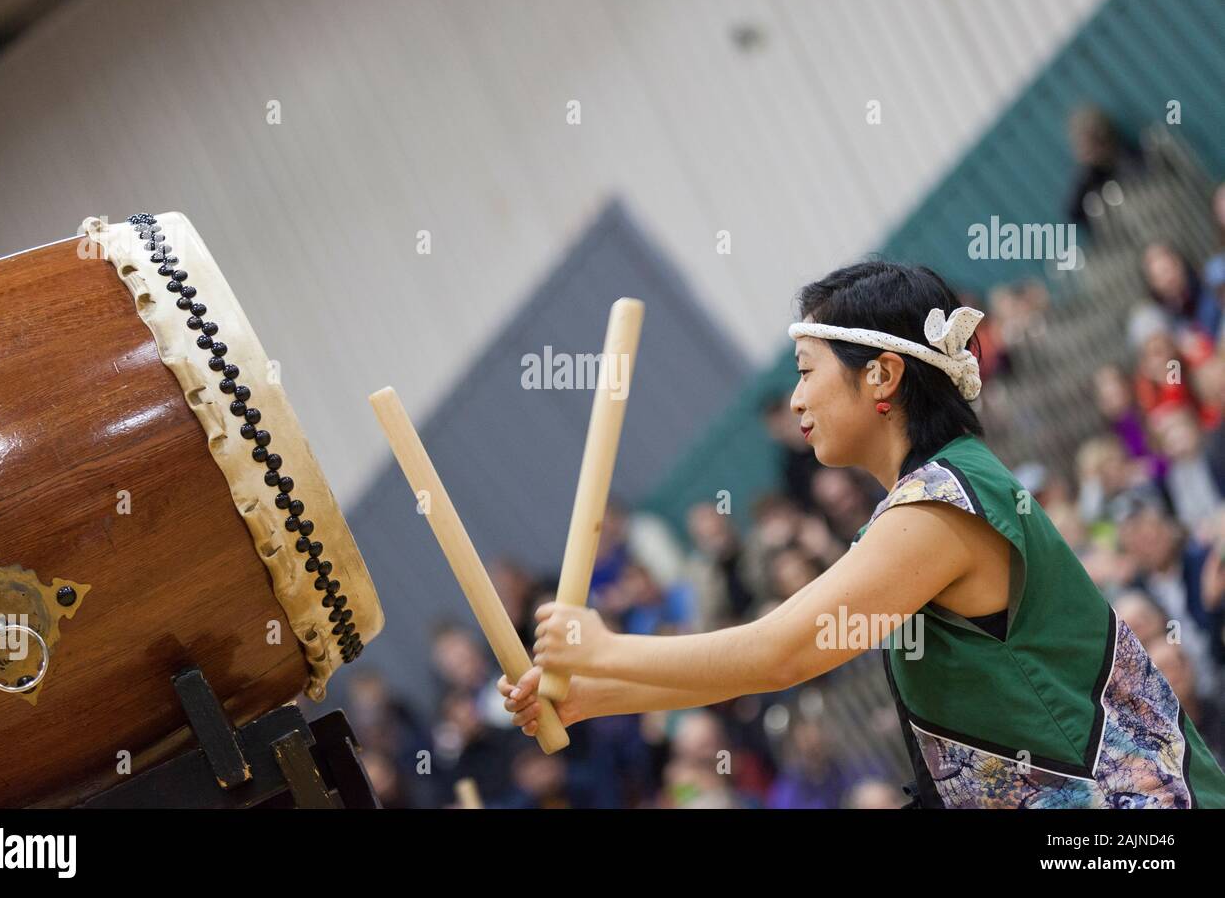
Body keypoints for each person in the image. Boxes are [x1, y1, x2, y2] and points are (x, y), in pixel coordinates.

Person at [500, 259, 1225, 809]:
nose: (795, 399)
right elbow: (774, 649)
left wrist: (607, 650)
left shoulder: (941, 507)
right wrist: (597, 693)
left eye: (807, 372)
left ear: (881, 376)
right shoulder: (928, 498)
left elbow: (782, 652)